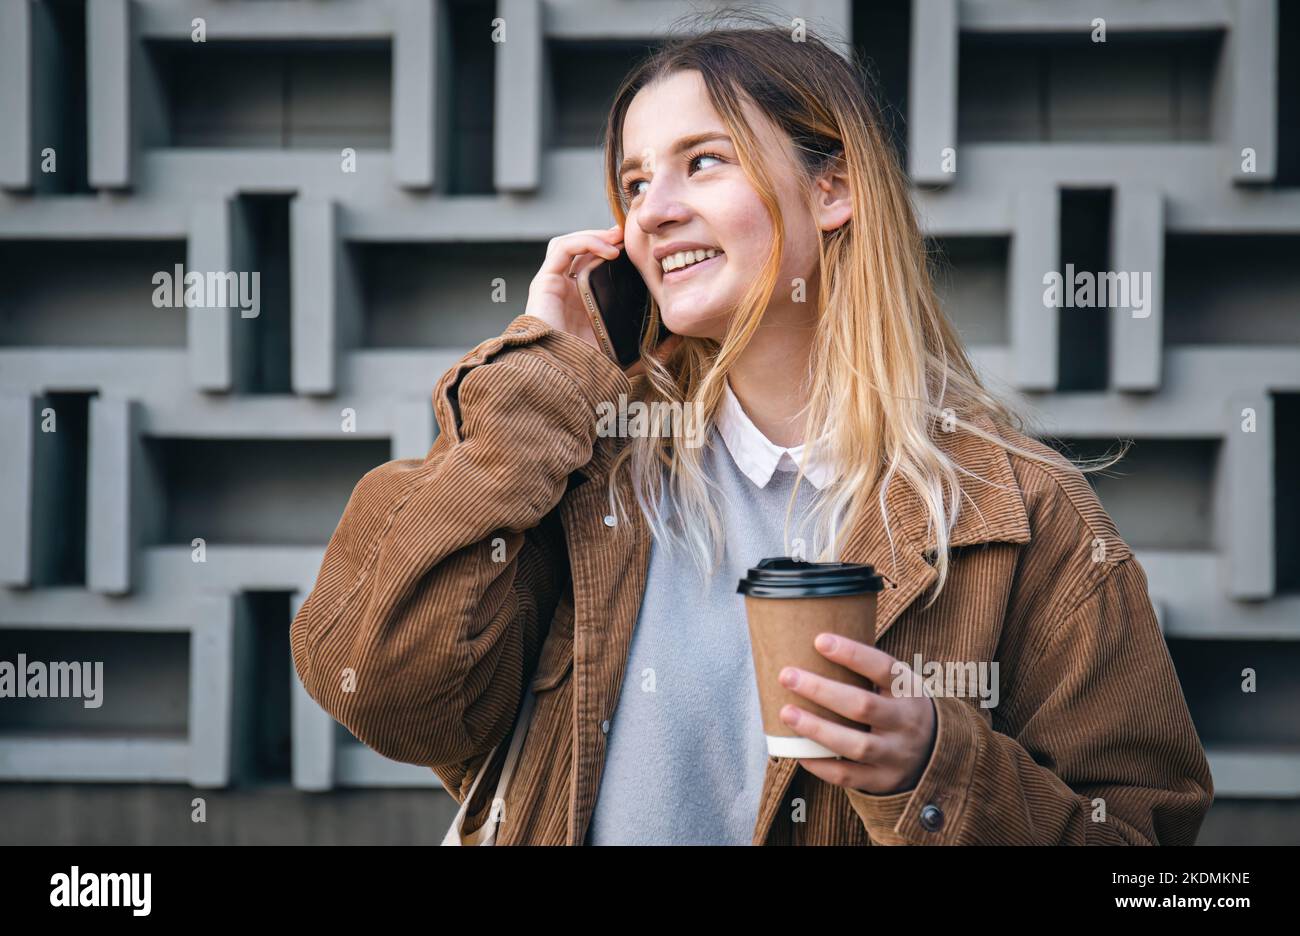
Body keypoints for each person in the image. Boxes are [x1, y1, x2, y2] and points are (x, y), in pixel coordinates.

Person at [290, 15, 1213, 845]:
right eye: (634, 182)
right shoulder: (582, 471)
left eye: (704, 161)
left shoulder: (1020, 516)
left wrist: (934, 771)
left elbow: (1145, 855)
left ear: (834, 191)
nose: (651, 209)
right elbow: (387, 691)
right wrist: (539, 377)